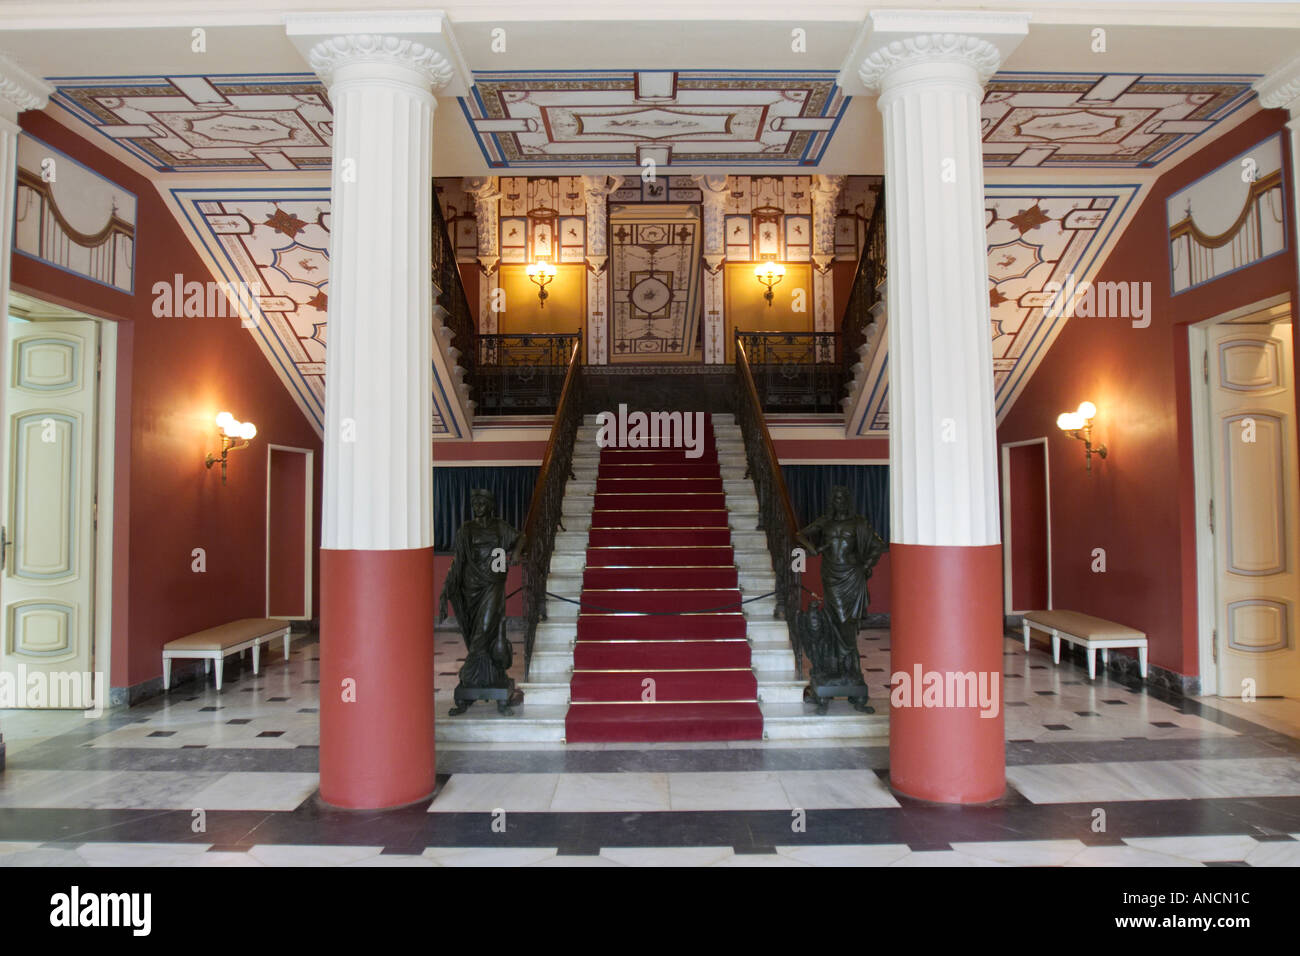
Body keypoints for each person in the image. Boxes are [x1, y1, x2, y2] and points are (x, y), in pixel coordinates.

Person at [438, 489, 524, 710]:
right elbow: (458, 562)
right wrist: (446, 591)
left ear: (490, 504)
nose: (477, 506)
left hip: (493, 584)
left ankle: (472, 675)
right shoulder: (467, 529)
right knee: (478, 629)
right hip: (471, 587)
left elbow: (521, 537)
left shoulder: (499, 526)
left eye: (481, 502)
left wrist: (515, 553)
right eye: (474, 502)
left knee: (486, 627)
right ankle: (484, 677)